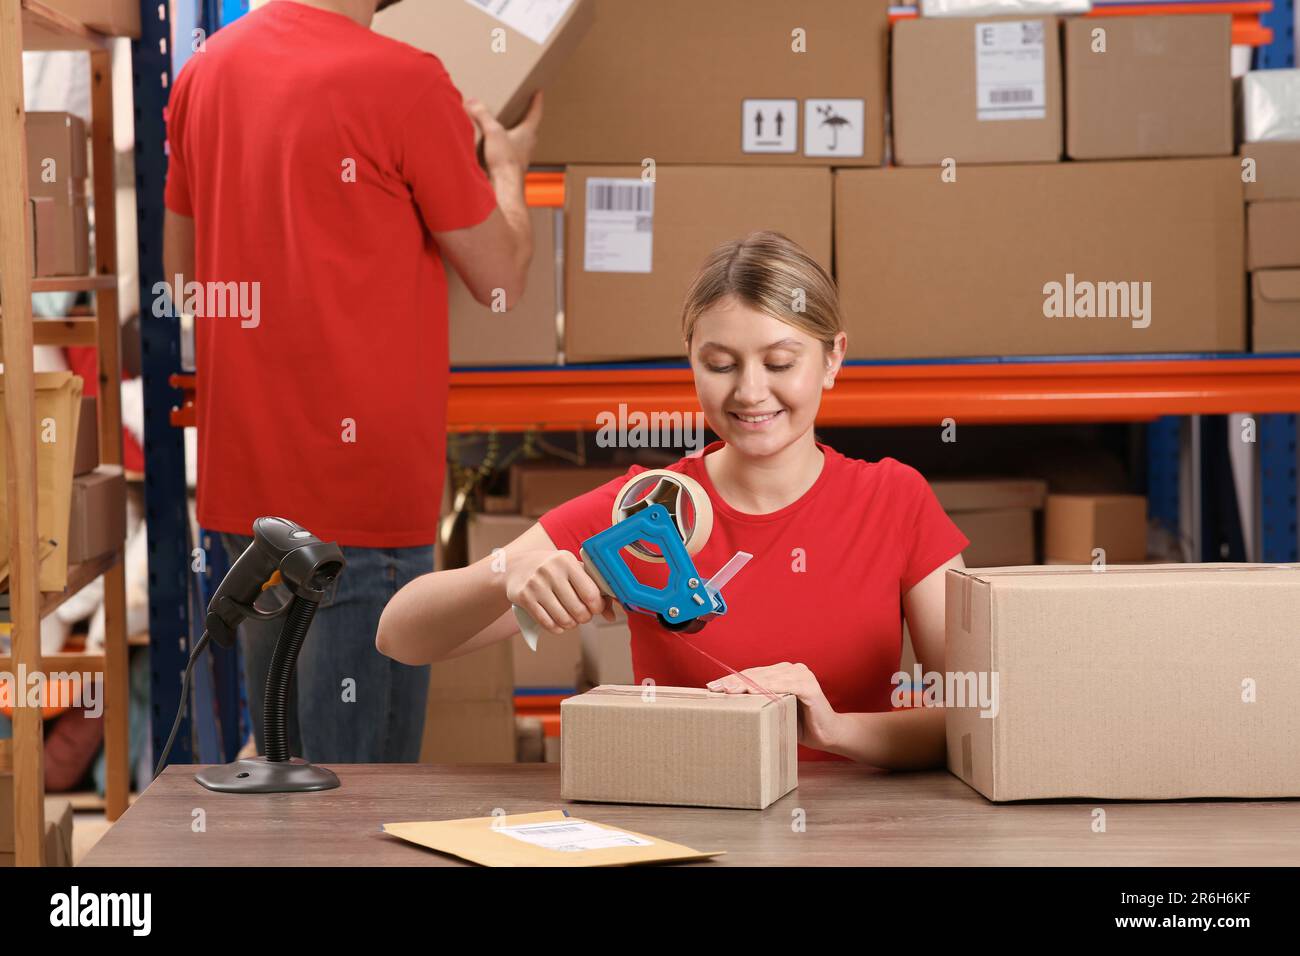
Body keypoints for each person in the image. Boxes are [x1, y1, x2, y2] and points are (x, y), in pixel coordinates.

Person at [376, 231, 970, 767]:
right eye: (720, 364)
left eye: (781, 362)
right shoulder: (646, 508)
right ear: (692, 361)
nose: (750, 391)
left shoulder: (894, 500)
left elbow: (972, 718)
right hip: (688, 825)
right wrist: (504, 576)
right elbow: (398, 637)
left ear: (833, 358)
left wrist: (832, 731)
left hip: (860, 840)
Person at [161, 0, 541, 762]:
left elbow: (183, 284)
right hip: (363, 510)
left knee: (284, 767)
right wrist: (509, 170)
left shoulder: (204, 74)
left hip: (249, 495)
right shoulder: (406, 82)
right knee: (355, 800)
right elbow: (499, 276)